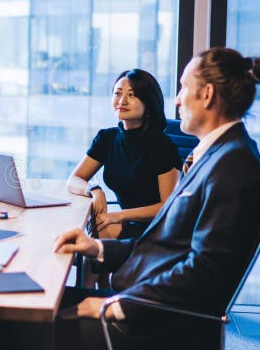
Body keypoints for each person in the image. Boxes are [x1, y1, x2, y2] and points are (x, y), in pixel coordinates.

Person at [0, 47, 260, 350]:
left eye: (183, 87)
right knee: (23, 315)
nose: (176, 99)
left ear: (206, 95)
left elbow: (203, 272)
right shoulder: (220, 155)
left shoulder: (234, 168)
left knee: (11, 341)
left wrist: (115, 306)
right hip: (148, 300)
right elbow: (170, 246)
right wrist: (98, 247)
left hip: (160, 325)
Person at [67, 69, 181, 240]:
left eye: (132, 95)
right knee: (89, 231)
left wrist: (118, 216)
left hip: (158, 229)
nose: (122, 101)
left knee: (93, 236)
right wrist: (94, 190)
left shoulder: (162, 146)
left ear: (148, 102)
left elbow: (167, 206)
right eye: (117, 93)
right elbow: (74, 179)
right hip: (127, 222)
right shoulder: (107, 138)